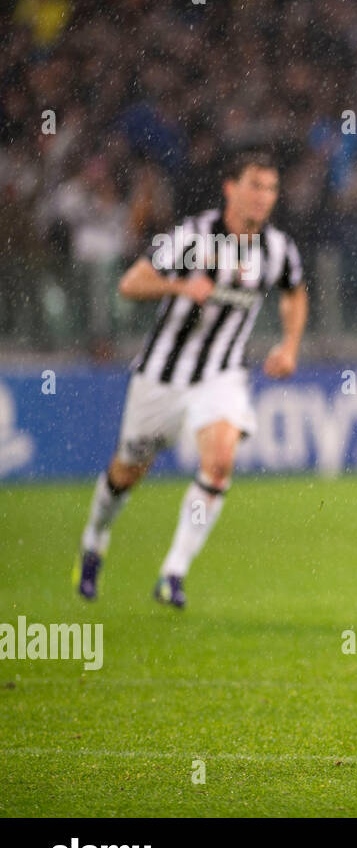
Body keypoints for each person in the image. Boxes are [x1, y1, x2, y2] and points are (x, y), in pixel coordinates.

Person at [75, 151, 307, 608]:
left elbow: (294, 292)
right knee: (126, 472)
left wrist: (290, 345)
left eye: (271, 189)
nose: (264, 197)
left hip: (220, 374)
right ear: (230, 188)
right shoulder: (192, 237)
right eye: (255, 186)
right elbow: (131, 284)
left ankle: (173, 573)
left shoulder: (277, 248)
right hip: (161, 376)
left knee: (219, 462)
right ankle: (94, 538)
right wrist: (181, 286)